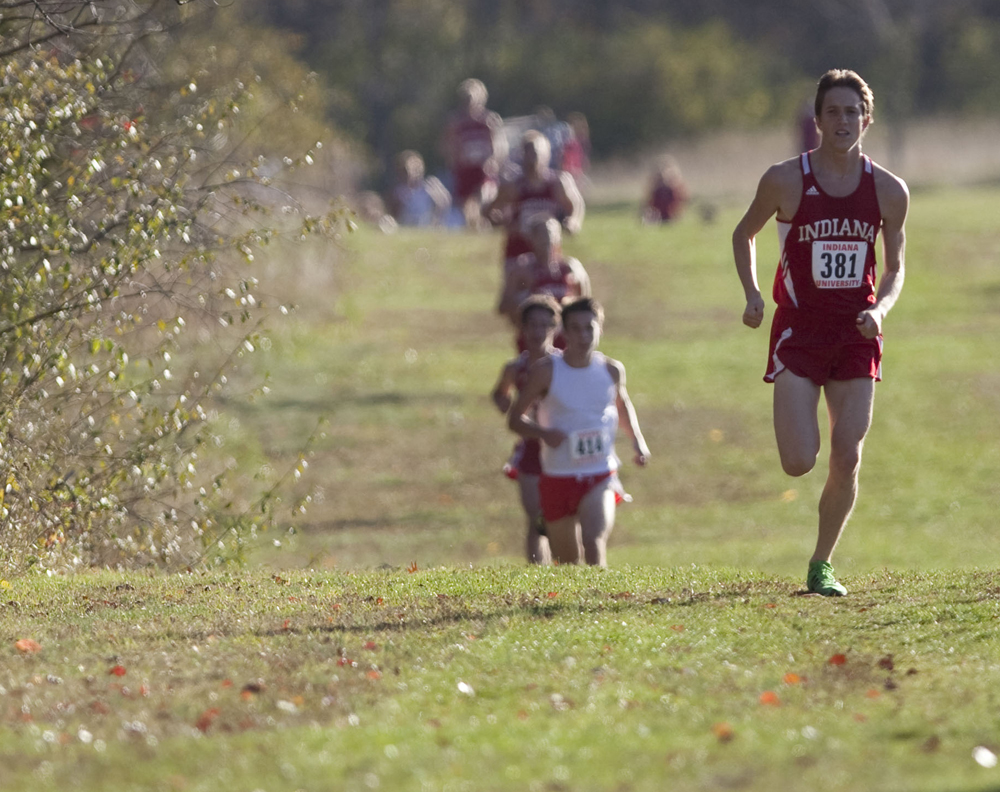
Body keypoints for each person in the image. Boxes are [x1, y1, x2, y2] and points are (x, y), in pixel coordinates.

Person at [732, 69, 909, 596]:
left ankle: (821, 563)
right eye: (832, 111)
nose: (842, 120)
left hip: (857, 331)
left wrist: (882, 311)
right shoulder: (785, 179)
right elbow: (744, 234)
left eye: (852, 111)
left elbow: (897, 268)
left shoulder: (888, 190)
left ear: (867, 119)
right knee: (798, 462)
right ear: (817, 121)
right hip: (798, 333)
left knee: (848, 452)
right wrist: (752, 294)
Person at [508, 297, 650, 566]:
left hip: (600, 474)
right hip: (558, 477)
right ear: (564, 332)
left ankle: (602, 605)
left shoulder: (611, 370)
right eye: (576, 328)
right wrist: (543, 433)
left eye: (589, 327)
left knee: (594, 543)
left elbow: (622, 405)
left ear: (600, 329)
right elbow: (514, 420)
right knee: (568, 564)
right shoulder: (546, 372)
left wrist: (638, 443)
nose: (584, 335)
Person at [490, 294, 561, 565]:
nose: (538, 331)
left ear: (555, 329)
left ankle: (567, 567)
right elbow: (499, 393)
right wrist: (503, 402)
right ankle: (536, 573)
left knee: (562, 517)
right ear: (522, 328)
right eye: (532, 324)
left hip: (561, 448)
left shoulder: (563, 367)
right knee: (536, 518)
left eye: (545, 325)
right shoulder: (515, 368)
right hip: (530, 450)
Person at [486, 130, 585, 272]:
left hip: (547, 252)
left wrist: (573, 221)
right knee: (517, 290)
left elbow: (576, 204)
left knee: (547, 289)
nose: (534, 158)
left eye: (537, 153)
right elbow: (490, 210)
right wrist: (503, 223)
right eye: (529, 152)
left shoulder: (557, 183)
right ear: (522, 155)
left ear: (547, 154)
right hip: (518, 251)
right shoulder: (513, 186)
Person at [496, 215, 591, 339]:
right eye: (540, 235)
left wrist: (569, 309)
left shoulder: (570, 267)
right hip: (536, 339)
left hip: (565, 339)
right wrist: (523, 320)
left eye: (550, 234)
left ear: (558, 238)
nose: (546, 239)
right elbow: (503, 306)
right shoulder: (523, 269)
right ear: (531, 239)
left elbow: (586, 304)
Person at [441, 78, 506, 229]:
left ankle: (483, 221)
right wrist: (453, 160)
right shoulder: (457, 122)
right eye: (465, 98)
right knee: (464, 202)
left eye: (470, 98)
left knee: (484, 196)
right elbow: (448, 145)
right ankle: (471, 225)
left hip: (483, 168)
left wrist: (493, 161)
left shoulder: (488, 121)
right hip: (464, 168)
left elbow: (499, 145)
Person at [386, 150, 452, 227]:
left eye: (417, 167)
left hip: (431, 224)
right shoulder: (399, 192)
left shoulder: (431, 185)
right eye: (411, 168)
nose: (415, 171)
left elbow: (444, 203)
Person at [642, 155, 689, 224]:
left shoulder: (675, 187)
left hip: (671, 215)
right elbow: (650, 202)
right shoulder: (656, 189)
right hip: (658, 214)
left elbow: (682, 200)